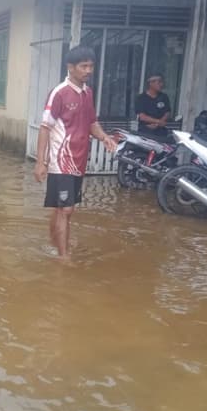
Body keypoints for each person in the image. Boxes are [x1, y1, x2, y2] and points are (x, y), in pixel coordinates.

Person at [33, 46, 118, 258]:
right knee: (66, 209)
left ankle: (54, 244)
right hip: (61, 160)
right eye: (83, 66)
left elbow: (91, 123)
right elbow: (45, 128)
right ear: (70, 67)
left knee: (62, 208)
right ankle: (64, 258)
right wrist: (40, 162)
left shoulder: (88, 93)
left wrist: (104, 137)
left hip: (79, 161)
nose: (88, 70)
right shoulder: (59, 93)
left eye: (91, 66)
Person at [135, 74, 172, 140]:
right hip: (145, 131)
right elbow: (143, 117)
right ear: (151, 83)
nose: (161, 84)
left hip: (161, 132)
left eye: (161, 82)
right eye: (159, 82)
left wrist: (158, 123)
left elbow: (167, 112)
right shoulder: (141, 98)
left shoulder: (164, 97)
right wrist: (158, 122)